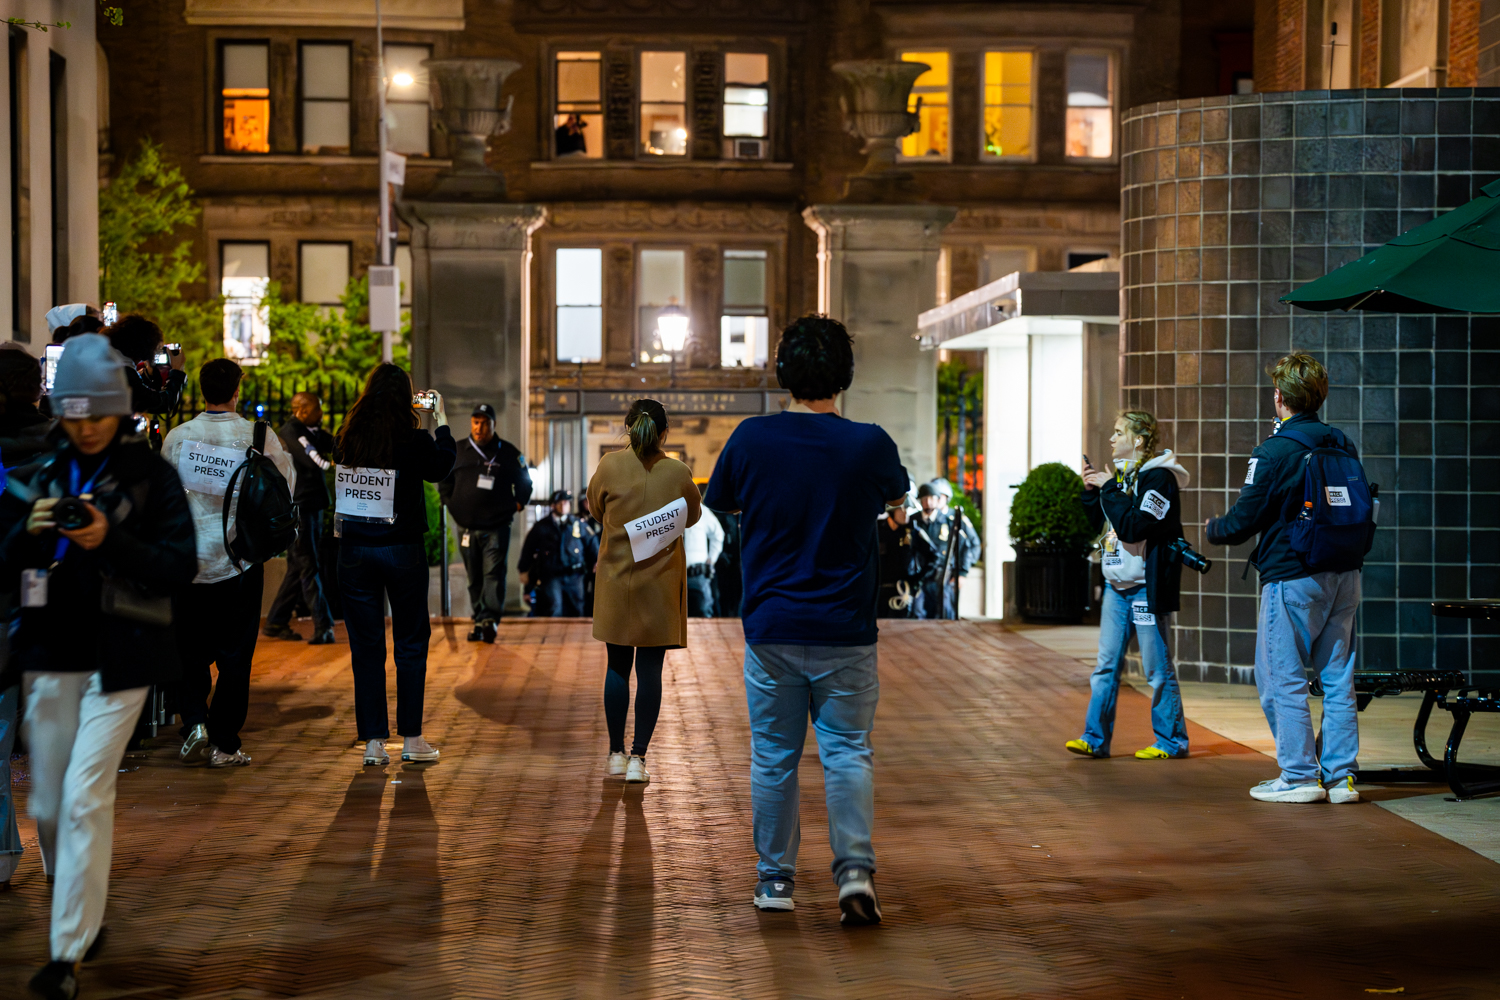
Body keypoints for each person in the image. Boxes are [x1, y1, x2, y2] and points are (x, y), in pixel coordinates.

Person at [0, 334, 196, 998]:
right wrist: (29, 529)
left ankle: (65, 956)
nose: (84, 428)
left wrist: (111, 539)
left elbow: (178, 566)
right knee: (50, 803)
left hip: (123, 657)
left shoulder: (151, 476)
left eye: (96, 415)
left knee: (85, 795)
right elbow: (4, 561)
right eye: (73, 415)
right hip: (49, 652)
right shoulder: (42, 470)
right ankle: (79, 915)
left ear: (118, 410)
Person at [704, 315, 907, 926]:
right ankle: (853, 872)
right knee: (848, 751)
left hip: (771, 626)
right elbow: (896, 497)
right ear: (843, 374)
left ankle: (775, 881)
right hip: (846, 626)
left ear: (783, 371)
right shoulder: (869, 442)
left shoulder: (750, 439)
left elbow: (721, 505)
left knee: (773, 755)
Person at [1206, 354, 1365, 804]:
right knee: (1337, 678)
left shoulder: (1275, 450)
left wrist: (1214, 528)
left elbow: (1244, 519)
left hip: (1292, 577)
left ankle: (1297, 776)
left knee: (1281, 677)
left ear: (1279, 397)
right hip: (1345, 573)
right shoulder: (1340, 442)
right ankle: (1340, 778)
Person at [163, 359, 296, 768]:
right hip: (238, 562)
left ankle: (195, 720)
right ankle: (224, 743)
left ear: (201, 390)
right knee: (236, 656)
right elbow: (285, 484)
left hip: (188, 564)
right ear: (237, 390)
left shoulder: (179, 437)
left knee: (189, 650)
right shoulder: (256, 435)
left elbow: (163, 495)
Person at [334, 363, 456, 766]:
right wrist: (439, 420)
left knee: (366, 647)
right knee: (409, 642)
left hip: (353, 549)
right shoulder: (412, 437)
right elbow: (441, 466)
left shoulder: (348, 436)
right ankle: (412, 737)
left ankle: (372, 742)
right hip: (401, 547)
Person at [586, 398, 701, 784]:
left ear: (628, 429)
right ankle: (638, 758)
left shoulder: (609, 466)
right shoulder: (678, 472)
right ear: (664, 433)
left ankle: (615, 754)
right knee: (650, 672)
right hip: (660, 586)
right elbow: (694, 515)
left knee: (617, 667)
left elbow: (595, 508)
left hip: (618, 582)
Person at [1066, 410, 1191, 761]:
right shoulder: (1117, 477)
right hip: (1115, 588)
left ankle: (1172, 741)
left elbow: (1136, 526)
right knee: (1105, 665)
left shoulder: (1160, 480)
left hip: (1144, 587)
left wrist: (1108, 489)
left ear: (1138, 440)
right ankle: (1094, 738)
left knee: (1156, 667)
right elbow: (1099, 523)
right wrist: (1093, 491)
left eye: (1119, 432)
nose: (1111, 438)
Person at [439, 402, 531, 643]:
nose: (479, 427)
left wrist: (517, 504)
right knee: (474, 576)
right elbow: (444, 482)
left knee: (493, 573)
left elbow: (525, 483)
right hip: (467, 528)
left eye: (485, 423)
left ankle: (489, 618)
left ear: (494, 424)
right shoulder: (458, 450)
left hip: (496, 527)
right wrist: (451, 504)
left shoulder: (508, 453)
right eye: (476, 422)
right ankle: (479, 618)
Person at [265, 391, 337, 644]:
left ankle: (275, 621)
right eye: (318, 408)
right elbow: (312, 461)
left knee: (299, 565)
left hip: (310, 506)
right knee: (308, 564)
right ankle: (323, 625)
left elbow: (334, 444)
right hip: (302, 508)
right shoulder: (292, 432)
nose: (322, 413)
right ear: (303, 410)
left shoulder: (309, 430)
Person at [518, 490, 597, 617]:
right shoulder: (542, 526)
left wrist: (597, 560)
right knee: (554, 609)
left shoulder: (577, 524)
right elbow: (528, 550)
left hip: (575, 576)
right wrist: (524, 570)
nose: (564, 505)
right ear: (553, 505)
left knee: (577, 609)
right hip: (551, 575)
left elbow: (592, 544)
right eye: (560, 502)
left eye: (566, 502)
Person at [912, 478, 979, 619]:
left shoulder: (952, 519)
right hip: (922, 575)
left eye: (937, 497)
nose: (931, 502)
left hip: (945, 574)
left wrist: (961, 572)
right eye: (927, 498)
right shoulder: (917, 519)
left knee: (945, 613)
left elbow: (969, 546)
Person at [106, 313, 186, 416]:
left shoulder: (112, 362)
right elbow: (162, 403)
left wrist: (149, 374)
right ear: (145, 348)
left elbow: (142, 394)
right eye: (155, 348)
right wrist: (177, 372)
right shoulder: (123, 373)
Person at [876, 500, 938, 618]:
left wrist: (917, 580)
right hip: (880, 590)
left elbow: (934, 557)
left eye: (907, 509)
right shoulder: (877, 530)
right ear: (891, 511)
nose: (906, 513)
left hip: (903, 591)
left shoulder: (914, 532)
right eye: (902, 509)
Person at [683, 502, 724, 617]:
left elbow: (718, 534)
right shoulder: (662, 512)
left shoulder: (701, 511)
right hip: (670, 578)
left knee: (702, 613)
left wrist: (711, 559)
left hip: (697, 575)